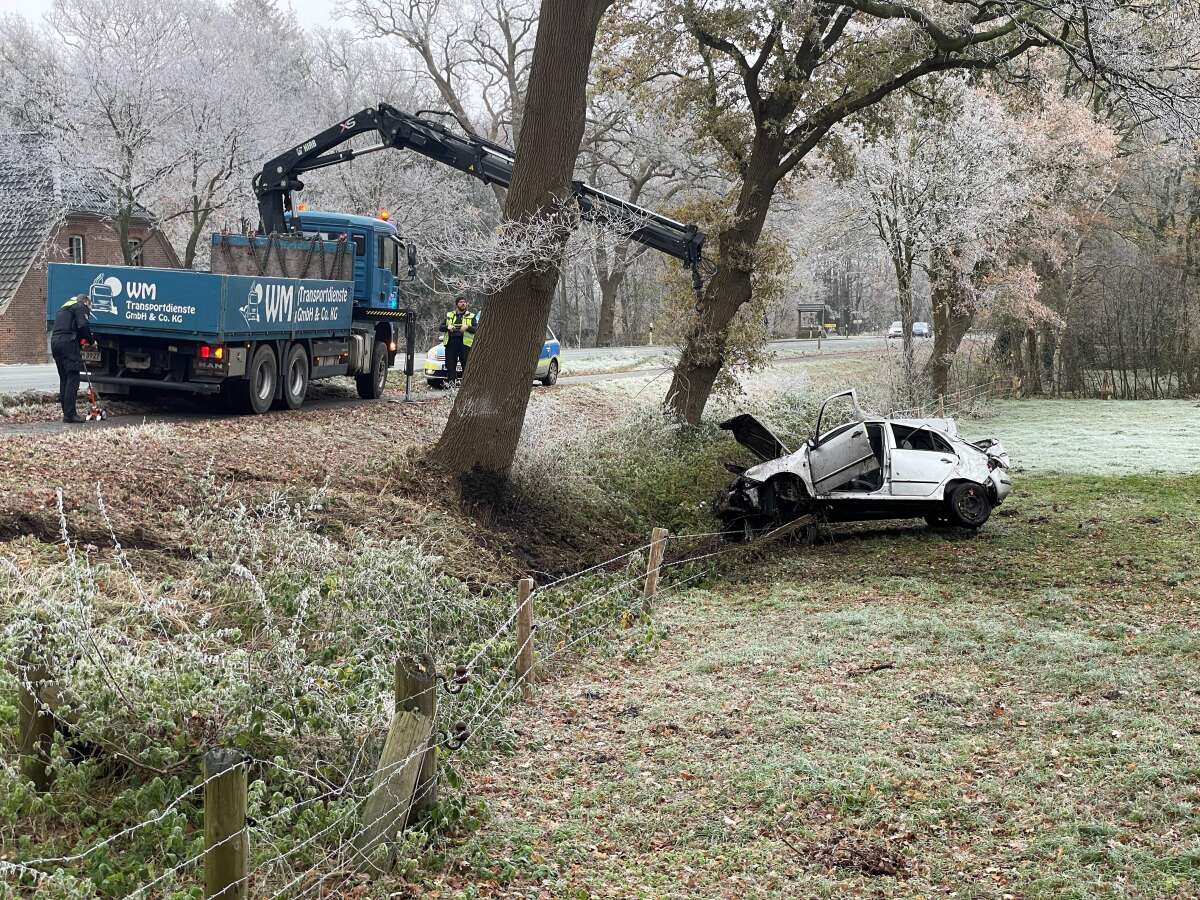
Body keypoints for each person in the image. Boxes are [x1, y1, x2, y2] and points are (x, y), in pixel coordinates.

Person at [50, 293, 93, 423]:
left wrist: (80, 341)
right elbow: (83, 325)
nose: (88, 310)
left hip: (55, 342)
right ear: (86, 302)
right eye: (89, 307)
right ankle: (70, 415)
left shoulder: (64, 307)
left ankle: (66, 413)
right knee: (73, 378)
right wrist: (91, 341)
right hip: (68, 343)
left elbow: (71, 327)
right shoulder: (81, 305)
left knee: (65, 378)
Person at [439, 296, 476, 382]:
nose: (463, 303)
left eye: (464, 302)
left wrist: (467, 327)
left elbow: (476, 329)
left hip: (465, 344)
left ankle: (466, 385)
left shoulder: (471, 316)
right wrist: (448, 327)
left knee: (466, 366)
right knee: (450, 366)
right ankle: (452, 386)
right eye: (460, 302)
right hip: (451, 344)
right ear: (456, 304)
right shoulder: (449, 315)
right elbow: (440, 327)